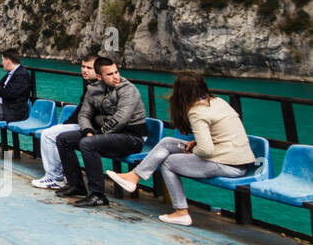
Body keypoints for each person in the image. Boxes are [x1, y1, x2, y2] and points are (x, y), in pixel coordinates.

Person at [106, 72, 256, 225]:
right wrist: (195, 144)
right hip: (236, 160)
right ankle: (134, 177)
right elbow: (221, 135)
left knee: (169, 162)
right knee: (167, 142)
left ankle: (181, 212)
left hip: (228, 165)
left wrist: (194, 149)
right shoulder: (217, 101)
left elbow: (206, 151)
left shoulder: (197, 112)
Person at [54, 57, 147, 207]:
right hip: (105, 134)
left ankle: (98, 195)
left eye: (116, 72)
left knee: (88, 143)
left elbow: (121, 119)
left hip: (131, 137)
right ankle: (77, 185)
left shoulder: (128, 90)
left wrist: (97, 134)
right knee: (63, 139)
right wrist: (88, 130)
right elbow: (84, 115)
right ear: (99, 77)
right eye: (110, 74)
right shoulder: (93, 90)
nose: (116, 77)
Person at [31, 55, 99, 189]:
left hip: (90, 127)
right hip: (83, 124)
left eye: (89, 68)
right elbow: (81, 109)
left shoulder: (98, 87)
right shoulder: (89, 84)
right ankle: (61, 175)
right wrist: (66, 124)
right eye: (83, 67)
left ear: (98, 70)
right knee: (52, 134)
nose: (84, 70)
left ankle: (55, 178)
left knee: (48, 135)